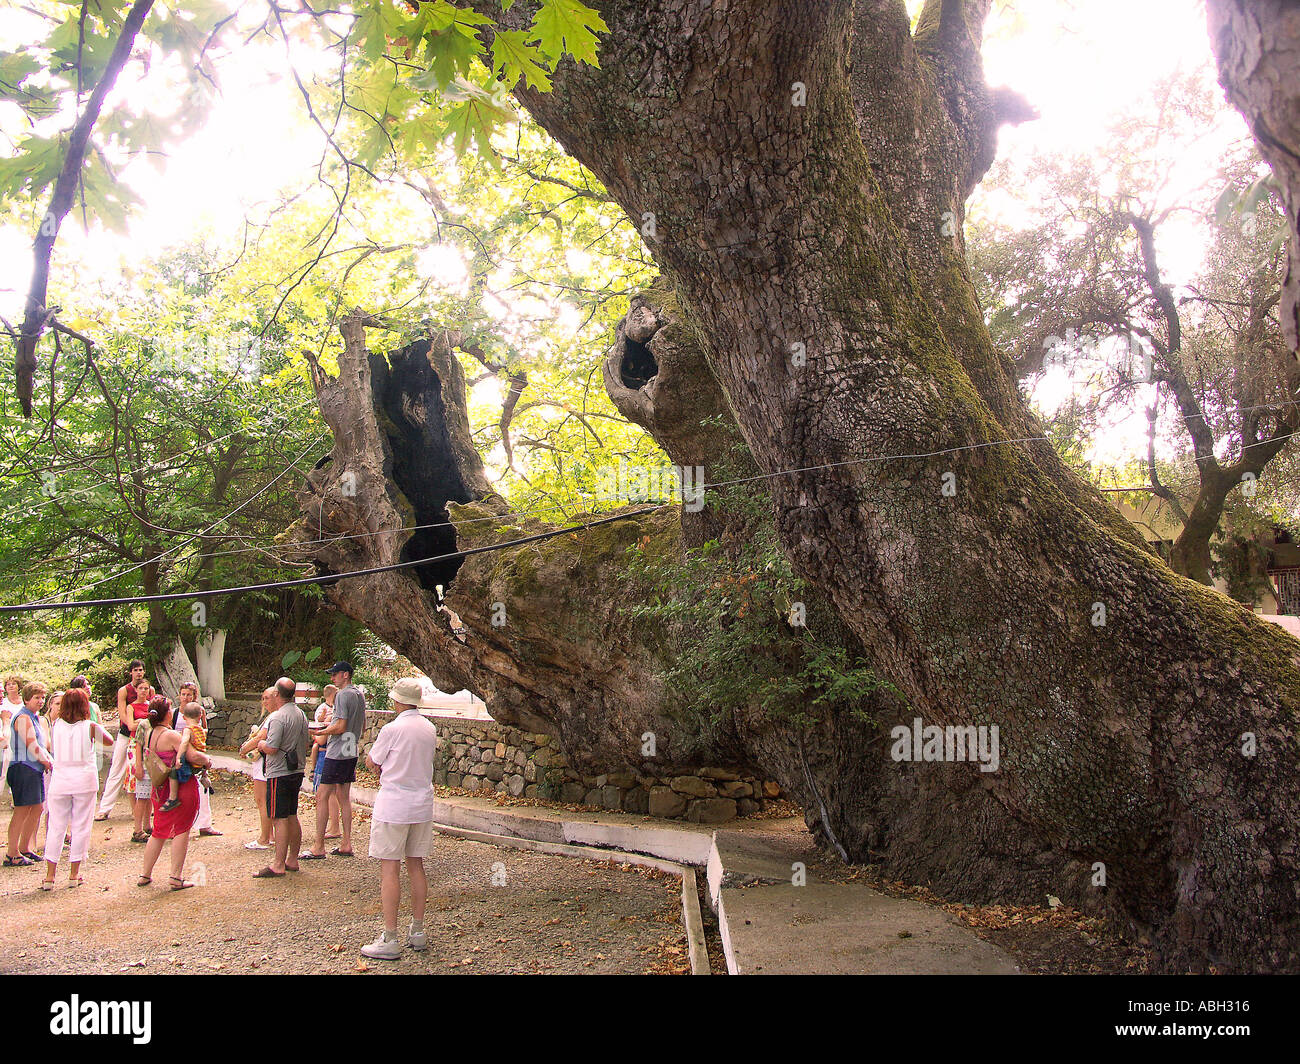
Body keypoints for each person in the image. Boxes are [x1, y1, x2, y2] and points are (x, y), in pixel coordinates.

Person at [359, 678, 439, 959]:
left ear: (398, 701)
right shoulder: (429, 728)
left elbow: (372, 760)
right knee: (416, 865)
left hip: (394, 804)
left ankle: (390, 936)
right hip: (421, 803)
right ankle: (417, 929)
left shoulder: (392, 729)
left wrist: (378, 766)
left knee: (389, 868)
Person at [40, 688, 114, 890]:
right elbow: (109, 740)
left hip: (61, 779)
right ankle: (74, 874)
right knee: (81, 826)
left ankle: (49, 876)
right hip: (84, 779)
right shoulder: (89, 726)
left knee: (56, 826)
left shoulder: (57, 725)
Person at [138, 696, 212, 890]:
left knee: (159, 830)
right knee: (182, 829)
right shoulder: (171, 735)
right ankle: (175, 876)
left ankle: (145, 873)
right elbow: (192, 755)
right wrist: (206, 759)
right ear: (167, 714)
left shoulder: (150, 733)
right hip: (180, 788)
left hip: (160, 788)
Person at [302, 662, 364, 859]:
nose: (332, 678)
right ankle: (346, 843)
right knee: (344, 797)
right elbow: (357, 726)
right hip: (350, 749)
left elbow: (340, 726)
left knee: (322, 795)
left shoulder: (343, 695)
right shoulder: (358, 694)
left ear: (345, 674)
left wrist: (322, 730)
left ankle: (318, 846)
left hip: (337, 751)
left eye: (335, 674)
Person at [253, 677, 308, 879]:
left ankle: (278, 864)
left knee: (278, 817)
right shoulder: (300, 714)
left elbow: (272, 747)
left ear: (277, 694)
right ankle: (292, 859)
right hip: (297, 770)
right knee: (292, 814)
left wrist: (260, 745)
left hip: (280, 772)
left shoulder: (277, 718)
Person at [4, 681, 52, 866]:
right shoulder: (23, 718)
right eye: (36, 698)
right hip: (23, 768)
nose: (40, 701)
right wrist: (46, 761)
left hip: (34, 769)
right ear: (26, 699)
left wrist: (48, 760)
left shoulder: (34, 717)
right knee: (21, 810)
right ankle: (12, 853)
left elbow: (42, 746)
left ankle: (25, 848)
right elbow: (31, 744)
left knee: (38, 808)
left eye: (42, 697)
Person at [95, 660, 146, 821]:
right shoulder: (124, 690)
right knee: (116, 769)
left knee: (146, 770)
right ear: (130, 672)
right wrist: (132, 725)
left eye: (141, 670)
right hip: (126, 734)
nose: (139, 673)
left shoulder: (148, 689)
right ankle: (104, 808)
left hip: (144, 736)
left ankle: (143, 809)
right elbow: (122, 713)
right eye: (136, 670)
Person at [239, 694, 274, 850]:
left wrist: (244, 748)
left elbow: (261, 736)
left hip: (264, 763)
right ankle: (270, 835)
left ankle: (264, 838)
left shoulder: (273, 717)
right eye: (263, 698)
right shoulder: (272, 717)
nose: (265, 702)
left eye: (268, 698)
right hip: (264, 763)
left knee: (262, 800)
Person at [310, 685, 342, 839]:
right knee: (333, 794)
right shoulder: (333, 712)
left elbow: (321, 738)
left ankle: (333, 827)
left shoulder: (332, 717)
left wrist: (315, 735)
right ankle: (333, 826)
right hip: (335, 754)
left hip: (326, 753)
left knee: (327, 795)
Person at [161, 702, 205, 813]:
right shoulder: (200, 729)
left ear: (184, 717)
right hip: (201, 762)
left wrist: (179, 757)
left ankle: (173, 797)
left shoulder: (188, 729)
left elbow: (184, 743)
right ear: (200, 716)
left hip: (192, 762)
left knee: (173, 772)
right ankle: (205, 778)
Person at [126, 682, 156, 842]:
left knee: (149, 794)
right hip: (137, 753)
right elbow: (131, 725)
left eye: (146, 688)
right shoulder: (132, 707)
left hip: (150, 758)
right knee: (140, 792)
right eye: (141, 688)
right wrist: (138, 765)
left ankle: (147, 824)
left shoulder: (151, 713)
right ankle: (137, 829)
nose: (144, 691)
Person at [1, 674, 24, 803]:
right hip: (9, 734)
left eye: (13, 684)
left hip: (24, 734)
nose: (10, 686)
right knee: (7, 764)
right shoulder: (3, 702)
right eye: (8, 684)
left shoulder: (24, 701)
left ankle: (16, 797)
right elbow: (5, 721)